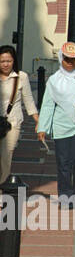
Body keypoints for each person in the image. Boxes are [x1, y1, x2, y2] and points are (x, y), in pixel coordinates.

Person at [37, 43, 75, 205]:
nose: (70, 62)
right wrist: (42, 127)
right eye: (67, 59)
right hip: (61, 126)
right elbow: (48, 104)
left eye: (73, 60)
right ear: (61, 59)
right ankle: (65, 197)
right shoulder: (53, 80)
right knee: (64, 163)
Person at [0, 45, 37, 184]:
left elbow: (29, 101)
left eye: (8, 61)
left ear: (14, 61)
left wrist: (38, 121)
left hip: (12, 123)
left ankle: (2, 188)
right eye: (2, 61)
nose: (5, 64)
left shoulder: (21, 77)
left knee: (6, 156)